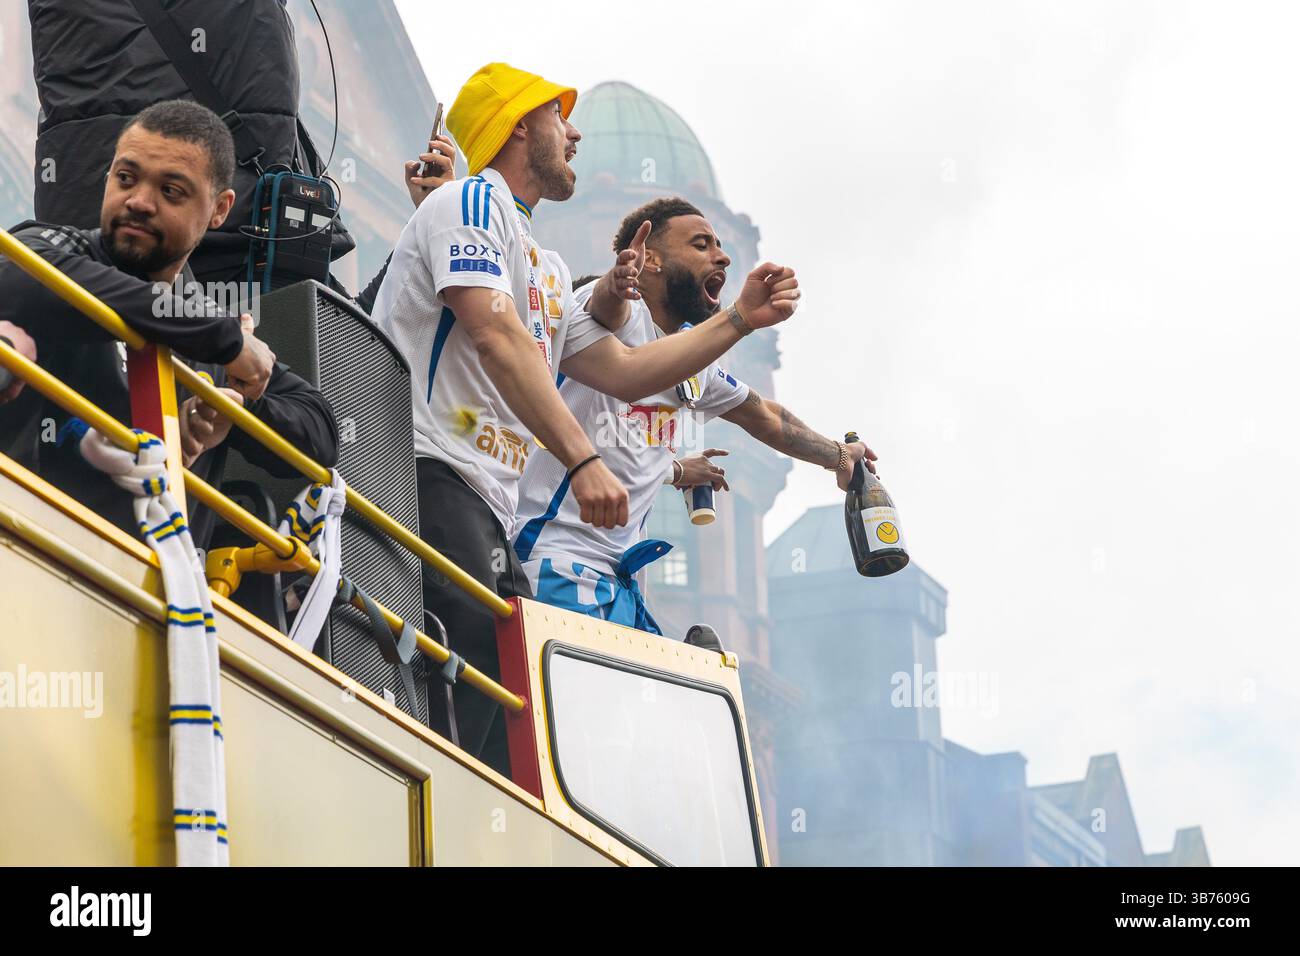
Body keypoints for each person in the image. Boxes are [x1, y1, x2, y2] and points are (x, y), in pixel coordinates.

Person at [371, 63, 800, 773]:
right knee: (483, 676)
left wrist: (738, 321)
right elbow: (495, 334)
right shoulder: (468, 203)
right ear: (517, 127)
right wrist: (584, 458)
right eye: (556, 117)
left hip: (487, 503)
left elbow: (628, 371)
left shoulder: (542, 265)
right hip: (427, 469)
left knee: (516, 699)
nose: (573, 134)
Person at [514, 196, 875, 635]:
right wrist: (617, 282)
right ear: (650, 260)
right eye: (701, 245)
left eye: (720, 246)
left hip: (621, 585)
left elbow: (765, 416)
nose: (722, 257)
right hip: (554, 563)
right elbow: (605, 305)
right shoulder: (610, 308)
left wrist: (840, 456)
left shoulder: (692, 360)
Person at [0, 100, 338, 549]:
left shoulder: (213, 328)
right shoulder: (53, 249)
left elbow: (322, 433)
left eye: (171, 191)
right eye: (126, 178)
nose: (139, 201)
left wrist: (236, 407)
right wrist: (223, 339)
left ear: (219, 209)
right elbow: (18, 277)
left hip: (156, 581)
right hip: (28, 549)